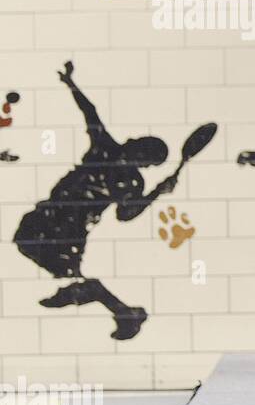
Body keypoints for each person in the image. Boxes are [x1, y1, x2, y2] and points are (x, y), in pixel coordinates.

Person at [13, 61, 215, 340]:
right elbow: (91, 113)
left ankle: (97, 298)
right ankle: (100, 300)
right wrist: (71, 83)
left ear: (143, 157)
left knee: (53, 261)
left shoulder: (112, 155)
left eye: (141, 144)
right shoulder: (123, 168)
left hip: (66, 223)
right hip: (56, 216)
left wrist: (156, 193)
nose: (133, 140)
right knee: (32, 246)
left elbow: (125, 214)